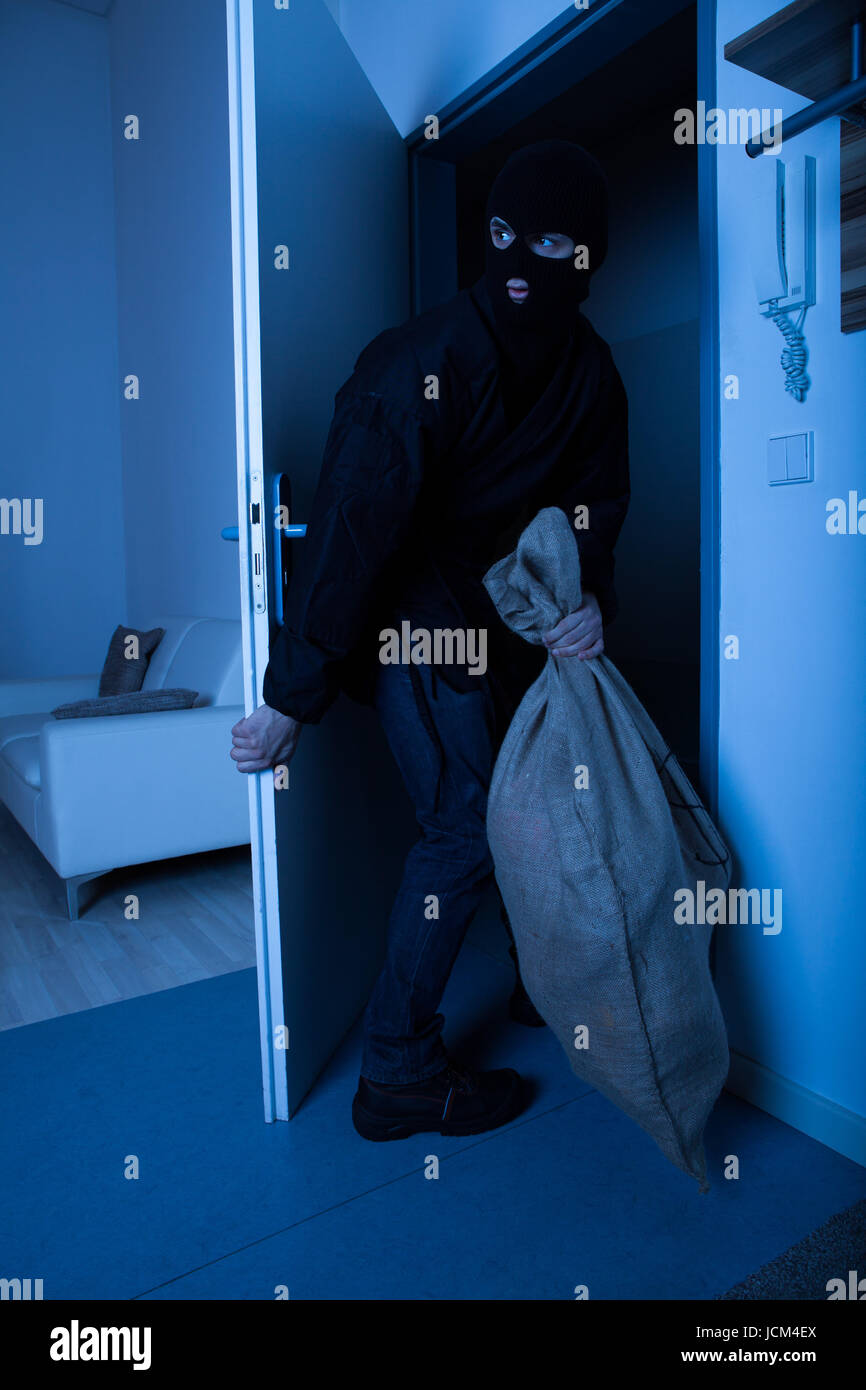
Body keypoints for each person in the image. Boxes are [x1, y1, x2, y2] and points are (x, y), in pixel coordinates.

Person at [231, 140, 630, 1142]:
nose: (518, 265)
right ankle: (397, 1068)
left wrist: (591, 599)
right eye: (499, 238)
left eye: (546, 245)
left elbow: (593, 504)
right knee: (462, 828)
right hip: (409, 616)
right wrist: (291, 696)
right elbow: (347, 535)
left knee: (538, 801)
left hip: (510, 612)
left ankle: (541, 974)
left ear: (584, 260)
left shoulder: (591, 373)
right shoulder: (412, 366)